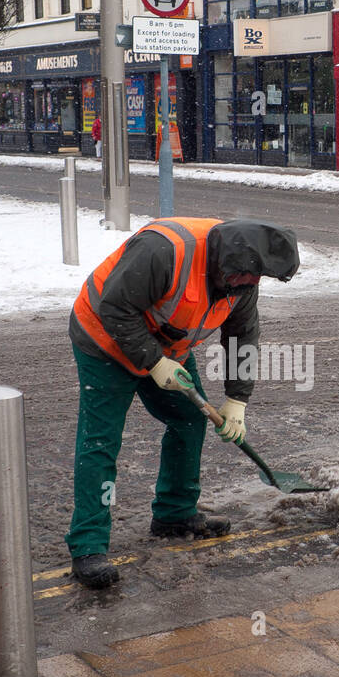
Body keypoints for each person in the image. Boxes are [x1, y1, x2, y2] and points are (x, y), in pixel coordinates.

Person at [66, 217, 300, 590]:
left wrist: (237, 400)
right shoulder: (164, 251)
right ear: (227, 263)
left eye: (258, 279)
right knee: (102, 440)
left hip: (166, 348)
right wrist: (154, 362)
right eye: (249, 277)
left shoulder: (242, 279)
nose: (252, 285)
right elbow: (114, 307)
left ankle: (174, 513)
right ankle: (88, 545)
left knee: (191, 420)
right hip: (104, 340)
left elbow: (241, 336)